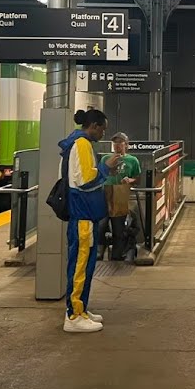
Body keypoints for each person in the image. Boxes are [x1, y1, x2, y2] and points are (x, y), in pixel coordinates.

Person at [59, 109, 121, 333]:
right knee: (80, 266)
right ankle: (74, 315)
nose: (103, 134)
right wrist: (106, 168)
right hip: (83, 214)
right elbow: (86, 180)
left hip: (82, 214)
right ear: (93, 126)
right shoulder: (83, 144)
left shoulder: (75, 144)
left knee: (82, 265)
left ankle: (81, 308)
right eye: (102, 129)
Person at [103, 132, 142, 260]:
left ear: (126, 145)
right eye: (115, 143)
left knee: (118, 230)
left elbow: (137, 178)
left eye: (120, 143)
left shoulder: (132, 160)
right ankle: (99, 254)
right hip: (105, 195)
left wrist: (130, 180)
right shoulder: (106, 159)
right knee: (100, 227)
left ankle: (116, 257)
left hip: (120, 196)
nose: (117, 146)